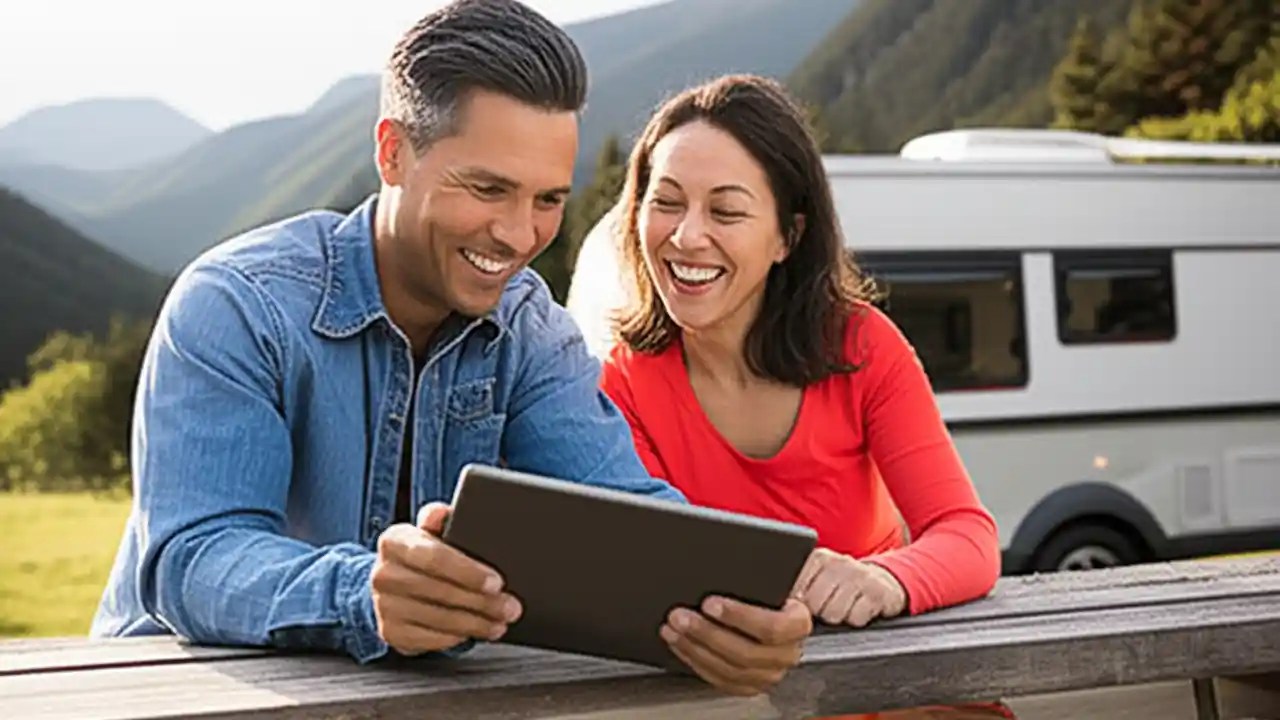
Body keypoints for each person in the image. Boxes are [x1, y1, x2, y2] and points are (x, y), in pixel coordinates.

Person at [91, 2, 812, 697]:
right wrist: (362, 593)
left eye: (548, 200)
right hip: (171, 694)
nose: (519, 235)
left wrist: (735, 611)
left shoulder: (531, 330)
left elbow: (631, 517)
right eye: (488, 188)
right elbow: (192, 558)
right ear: (393, 153)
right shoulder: (238, 305)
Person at [572, 73, 1003, 632]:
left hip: (871, 668)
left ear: (788, 237)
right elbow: (651, 572)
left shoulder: (863, 346)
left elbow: (967, 534)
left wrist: (884, 580)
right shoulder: (624, 382)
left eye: (726, 212)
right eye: (667, 204)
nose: (686, 236)